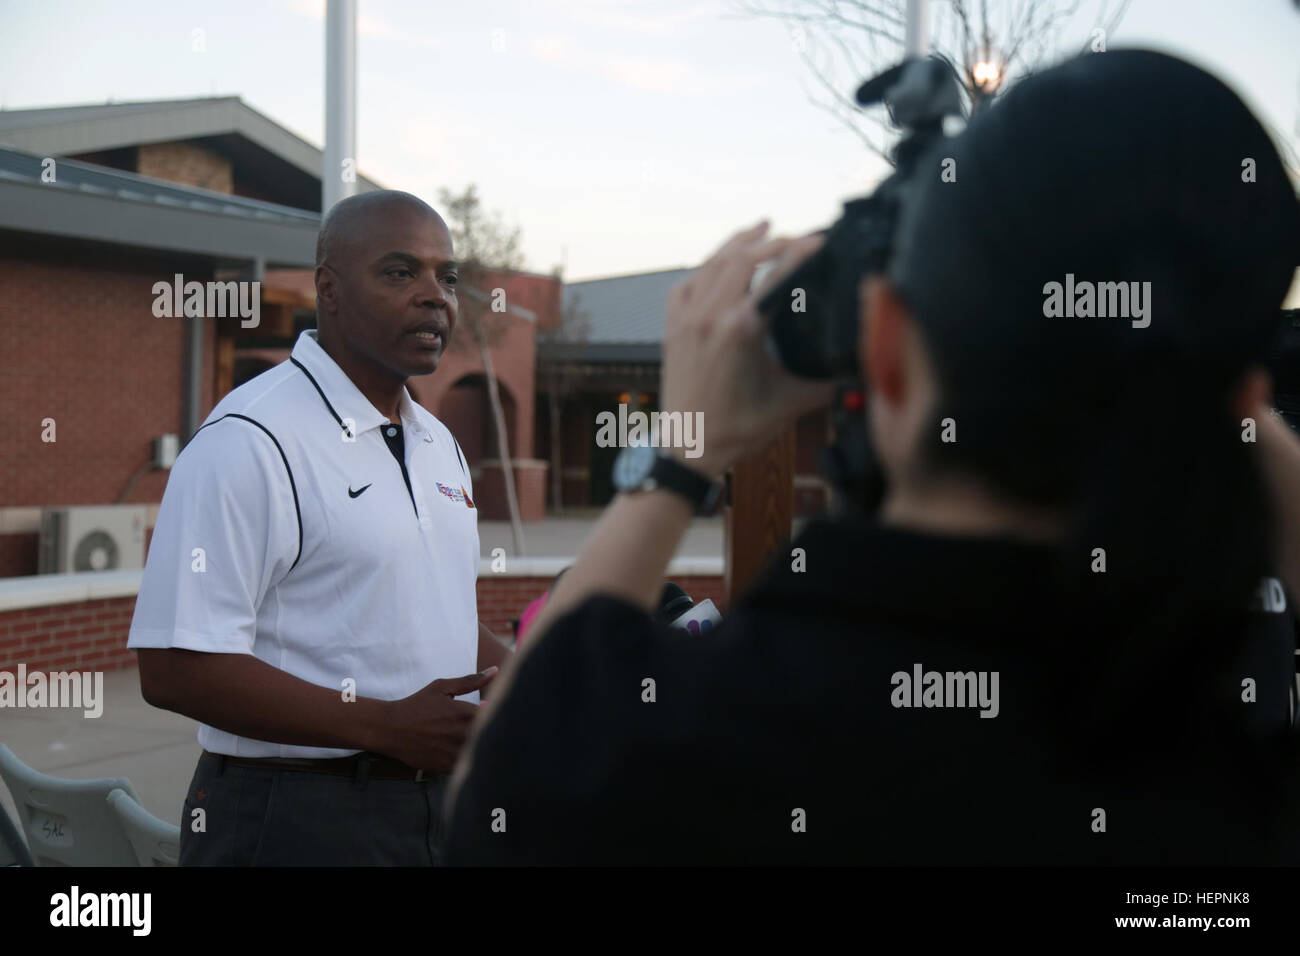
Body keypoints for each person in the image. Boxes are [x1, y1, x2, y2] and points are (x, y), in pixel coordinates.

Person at [444, 50, 1300, 865]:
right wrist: (1209, 385)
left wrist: (681, 455)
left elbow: (497, 786)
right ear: (1241, 396)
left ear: (883, 343)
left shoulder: (683, 746)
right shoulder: (1229, 761)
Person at [128, 190, 510, 866]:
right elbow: (173, 666)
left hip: (436, 805)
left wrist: (511, 672)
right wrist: (384, 725)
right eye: (400, 273)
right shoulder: (249, 438)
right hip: (294, 815)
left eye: (446, 277)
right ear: (328, 290)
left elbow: (417, 606)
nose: (435, 296)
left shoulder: (438, 442)